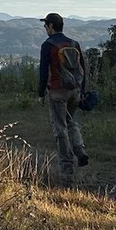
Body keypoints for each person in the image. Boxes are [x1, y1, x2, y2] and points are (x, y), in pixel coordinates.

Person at [37, 12, 89, 181]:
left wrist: (40, 93)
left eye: (46, 25)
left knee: (60, 127)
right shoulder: (74, 43)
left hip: (58, 91)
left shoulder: (48, 45)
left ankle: (67, 166)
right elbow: (83, 69)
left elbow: (44, 71)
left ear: (51, 26)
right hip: (75, 91)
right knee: (70, 121)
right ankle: (79, 149)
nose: (45, 28)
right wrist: (82, 91)